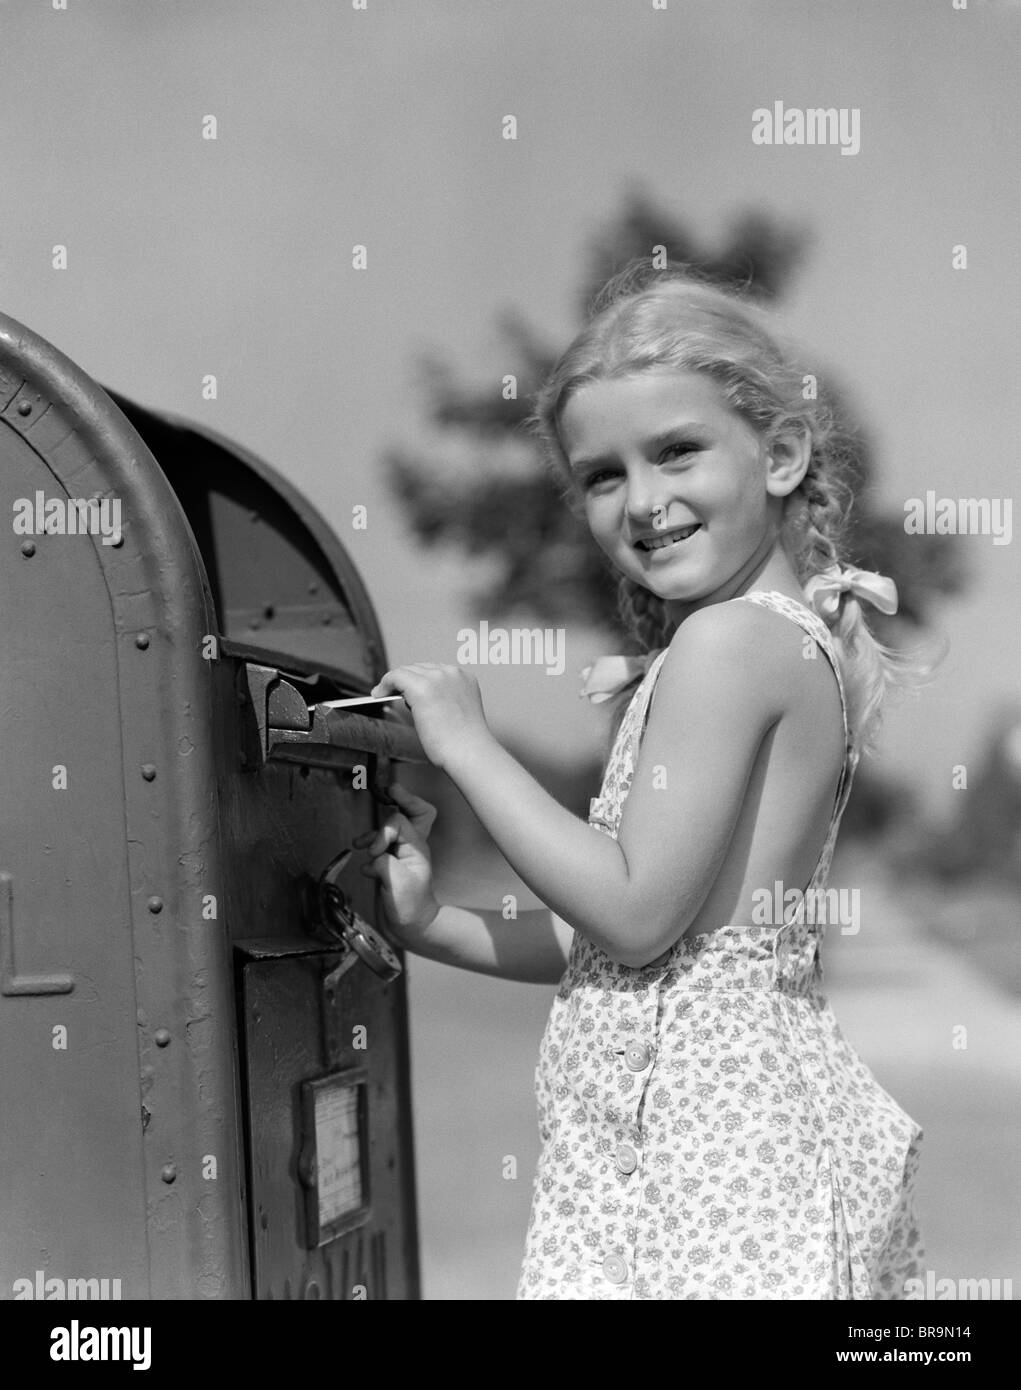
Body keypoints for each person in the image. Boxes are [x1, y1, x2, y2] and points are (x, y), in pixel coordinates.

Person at [355, 261, 926, 1300]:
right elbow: (621, 943)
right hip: (718, 1159)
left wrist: (468, 744)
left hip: (708, 1171)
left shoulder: (726, 646)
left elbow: (631, 913)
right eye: (603, 475)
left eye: (676, 452)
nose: (643, 501)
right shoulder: (760, 643)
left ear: (782, 453)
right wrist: (434, 920)